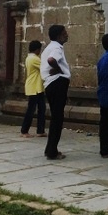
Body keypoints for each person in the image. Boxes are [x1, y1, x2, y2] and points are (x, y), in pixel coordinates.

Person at [41, 24, 71, 160]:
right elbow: (51, 60)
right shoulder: (56, 48)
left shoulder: (49, 47)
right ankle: (52, 151)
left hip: (50, 84)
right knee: (57, 118)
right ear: (59, 36)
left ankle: (50, 149)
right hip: (57, 83)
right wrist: (58, 69)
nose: (67, 35)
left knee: (55, 117)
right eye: (64, 33)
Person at [20, 40, 46, 138]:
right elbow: (45, 67)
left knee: (41, 108)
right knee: (31, 109)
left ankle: (40, 130)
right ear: (37, 49)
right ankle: (24, 130)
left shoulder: (29, 58)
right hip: (34, 87)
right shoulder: (34, 59)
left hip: (36, 86)